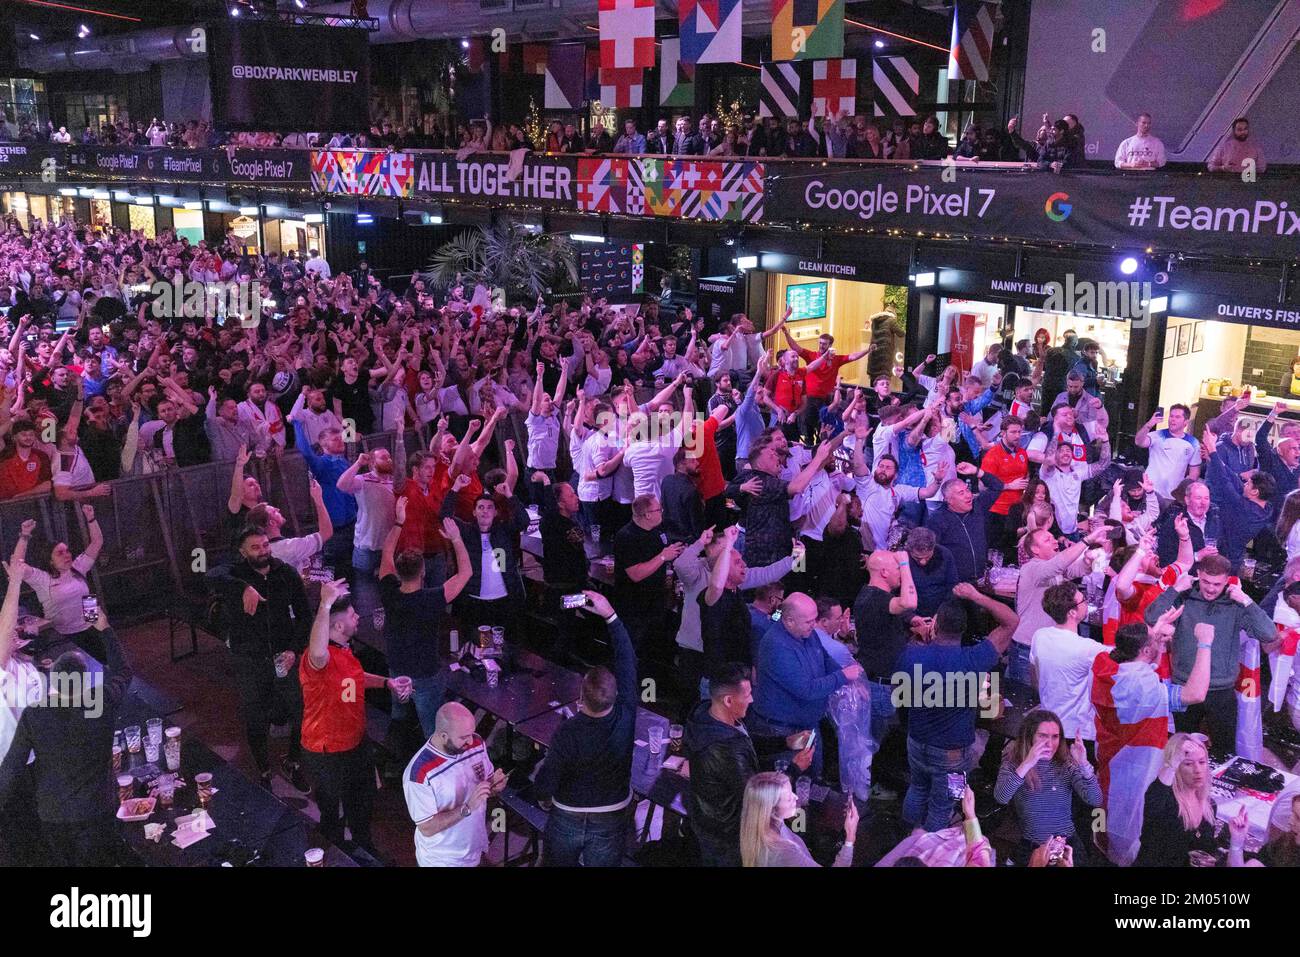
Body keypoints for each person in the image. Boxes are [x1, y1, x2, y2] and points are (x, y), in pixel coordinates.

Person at [0, 607, 129, 867]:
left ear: (53, 684)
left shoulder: (34, 715)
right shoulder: (101, 701)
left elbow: (12, 768)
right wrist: (105, 629)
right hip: (97, 812)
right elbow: (123, 671)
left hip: (54, 818)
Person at [1091, 616, 1212, 866]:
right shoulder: (1142, 688)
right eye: (1153, 639)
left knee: (1107, 814)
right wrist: (1205, 644)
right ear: (1145, 650)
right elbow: (1195, 693)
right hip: (1135, 771)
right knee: (1134, 827)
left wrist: (1154, 638)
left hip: (1110, 760)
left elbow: (1141, 663)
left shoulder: (1107, 665)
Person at [897, 583, 1017, 831]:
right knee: (944, 804)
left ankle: (907, 841)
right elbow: (1012, 621)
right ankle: (930, 851)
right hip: (953, 754)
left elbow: (901, 697)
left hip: (916, 742)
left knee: (917, 789)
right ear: (963, 629)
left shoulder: (910, 654)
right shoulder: (975, 658)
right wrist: (977, 596)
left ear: (936, 626)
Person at [302, 578, 408, 856]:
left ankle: (364, 850)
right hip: (328, 751)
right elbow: (316, 651)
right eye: (351, 615)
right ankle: (333, 854)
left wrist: (387, 683)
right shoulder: (317, 660)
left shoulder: (346, 650)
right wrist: (324, 603)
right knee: (331, 812)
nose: (358, 616)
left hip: (356, 742)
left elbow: (355, 678)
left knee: (362, 801)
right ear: (337, 626)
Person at [533, 590, 637, 866]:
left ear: (580, 697)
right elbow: (628, 661)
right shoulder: (626, 714)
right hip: (611, 815)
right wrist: (611, 615)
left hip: (568, 814)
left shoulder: (568, 732)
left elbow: (548, 779)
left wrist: (542, 798)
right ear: (616, 696)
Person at [206, 527, 311, 790]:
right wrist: (244, 587)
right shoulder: (235, 573)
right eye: (256, 547)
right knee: (254, 715)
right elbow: (210, 575)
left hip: (283, 656)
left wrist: (294, 650)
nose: (263, 551)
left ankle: (294, 762)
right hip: (249, 659)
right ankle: (264, 770)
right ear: (242, 552)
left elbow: (304, 616)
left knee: (300, 710)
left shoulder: (285, 573)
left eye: (265, 545)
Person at [1145, 555, 1275, 755]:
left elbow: (1269, 634)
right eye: (1206, 581)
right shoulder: (1184, 597)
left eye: (1217, 584)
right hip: (1184, 687)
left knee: (1225, 753)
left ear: (1227, 580)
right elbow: (1151, 618)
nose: (1211, 588)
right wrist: (1175, 589)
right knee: (1183, 752)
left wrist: (1246, 600)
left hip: (1221, 691)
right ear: (1198, 575)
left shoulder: (1235, 605)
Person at [378, 498, 471, 737]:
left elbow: (387, 551)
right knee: (432, 729)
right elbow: (466, 572)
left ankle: (395, 758)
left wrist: (399, 522)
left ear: (398, 572)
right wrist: (456, 539)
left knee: (398, 716)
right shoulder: (432, 598)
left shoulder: (389, 591)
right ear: (423, 571)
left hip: (397, 669)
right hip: (426, 675)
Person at [750, 592, 861, 775]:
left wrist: (850, 680)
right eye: (809, 621)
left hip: (807, 723)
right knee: (791, 784)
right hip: (781, 729)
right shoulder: (777, 646)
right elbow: (806, 690)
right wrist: (842, 676)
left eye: (814, 619)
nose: (814, 624)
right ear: (789, 621)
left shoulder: (807, 632)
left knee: (812, 778)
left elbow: (824, 659)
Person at [401, 701, 507, 867]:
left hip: (473, 848)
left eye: (472, 733)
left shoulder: (477, 743)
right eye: (464, 737)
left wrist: (494, 785)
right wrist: (467, 808)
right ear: (444, 736)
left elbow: (483, 786)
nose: (471, 741)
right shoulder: (419, 773)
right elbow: (427, 827)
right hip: (442, 859)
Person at [994, 709, 1101, 861]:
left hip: (1066, 843)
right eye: (1043, 736)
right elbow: (1001, 797)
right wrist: (1028, 763)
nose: (1050, 744)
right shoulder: (1014, 764)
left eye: (1055, 737)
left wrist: (1083, 764)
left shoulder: (1066, 764)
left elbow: (1095, 800)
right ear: (1029, 737)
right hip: (1032, 844)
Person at [441, 477, 530, 642]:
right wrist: (456, 487)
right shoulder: (466, 532)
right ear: (474, 512)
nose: (485, 511)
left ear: (496, 512)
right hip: (474, 602)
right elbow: (444, 516)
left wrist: (510, 495)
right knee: (476, 646)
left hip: (504, 601)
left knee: (505, 645)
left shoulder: (503, 530)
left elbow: (524, 521)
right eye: (480, 507)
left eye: (490, 508)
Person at [1135, 734, 1243, 867]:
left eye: (1202, 762)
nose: (1198, 770)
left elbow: (1205, 849)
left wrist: (1234, 842)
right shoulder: (1166, 802)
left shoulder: (1209, 805)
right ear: (1177, 767)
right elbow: (1155, 797)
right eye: (1188, 763)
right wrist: (1172, 763)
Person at [18, 507, 106, 659]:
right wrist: (25, 535)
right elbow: (18, 564)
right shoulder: (42, 579)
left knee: (105, 667)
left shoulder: (78, 567)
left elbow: (97, 541)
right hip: (65, 636)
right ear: (50, 561)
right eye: (60, 553)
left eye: (67, 551)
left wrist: (91, 518)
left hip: (91, 628)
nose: (67, 555)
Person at [739, 771, 857, 867]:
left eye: (792, 792)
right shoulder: (786, 851)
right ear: (772, 810)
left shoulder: (755, 825)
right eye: (789, 798)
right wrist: (850, 837)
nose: (796, 797)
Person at [927, 469, 1010, 583]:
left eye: (967, 490)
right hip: (955, 584)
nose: (968, 495)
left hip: (981, 580)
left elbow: (997, 485)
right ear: (949, 500)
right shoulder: (938, 519)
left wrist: (976, 471)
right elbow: (931, 554)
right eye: (961, 493)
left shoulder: (978, 506)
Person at [1134, 404, 1201, 503]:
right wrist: (1149, 425)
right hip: (1150, 491)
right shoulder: (1157, 435)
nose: (1172, 419)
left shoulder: (1193, 443)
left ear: (1186, 422)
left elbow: (1194, 472)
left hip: (1172, 496)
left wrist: (1184, 494)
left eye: (1177, 417)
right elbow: (1138, 442)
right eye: (1171, 416)